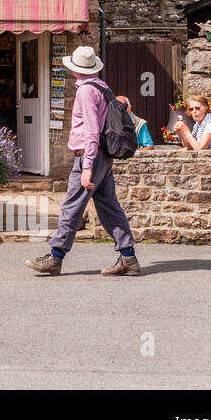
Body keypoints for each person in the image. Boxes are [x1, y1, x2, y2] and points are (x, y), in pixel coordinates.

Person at [25, 46, 140, 277]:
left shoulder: (86, 91)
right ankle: (128, 257)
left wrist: (86, 167)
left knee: (71, 207)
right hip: (102, 157)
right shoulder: (102, 87)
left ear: (75, 68)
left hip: (90, 156)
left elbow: (91, 130)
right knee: (109, 207)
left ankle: (55, 257)